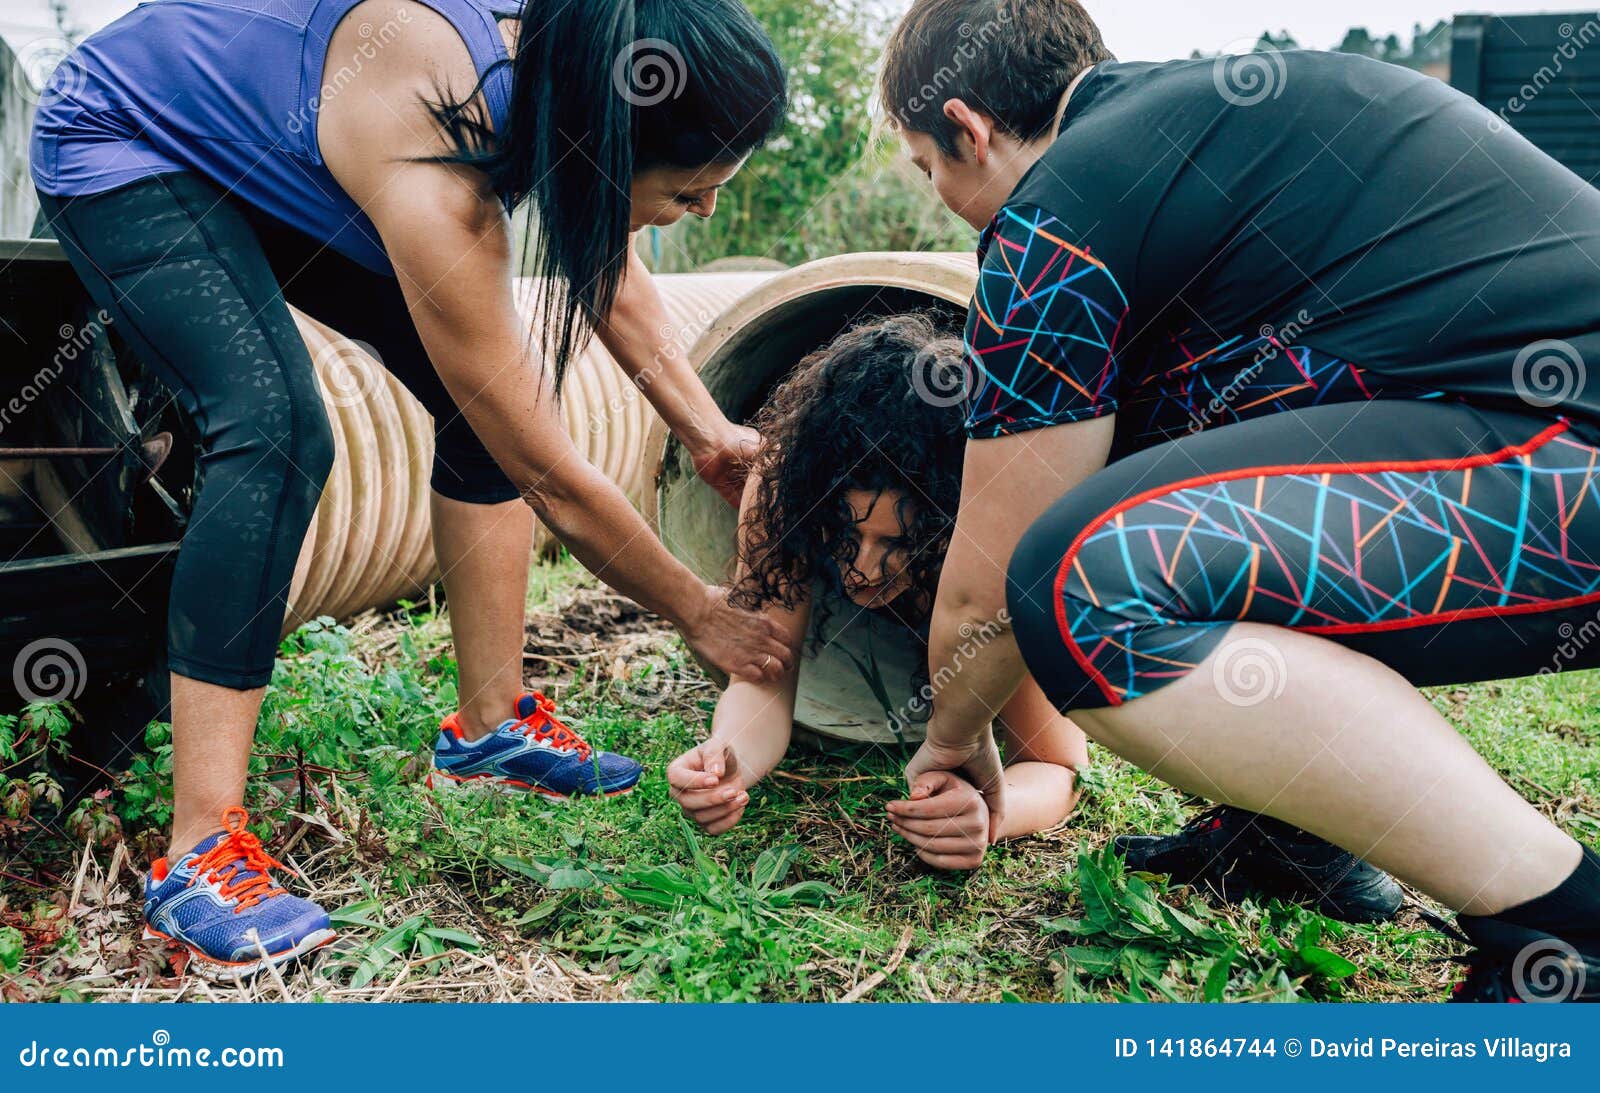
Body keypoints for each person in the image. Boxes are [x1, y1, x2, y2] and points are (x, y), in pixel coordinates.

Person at [31, 0, 795, 976]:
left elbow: (609, 272)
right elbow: (549, 476)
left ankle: (490, 722)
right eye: (692, 194)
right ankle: (195, 860)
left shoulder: (573, 81)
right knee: (277, 426)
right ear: (610, 145)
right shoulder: (442, 148)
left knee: (486, 399)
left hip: (289, 158)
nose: (707, 214)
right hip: (130, 140)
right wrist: (699, 609)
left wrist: (710, 430)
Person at [880, 0, 1600, 1001]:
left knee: (1078, 584)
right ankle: (1282, 837)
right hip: (1537, 439)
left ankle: (1564, 929)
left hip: (1564, 462)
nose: (942, 203)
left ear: (968, 125)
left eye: (928, 168)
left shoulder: (1056, 214)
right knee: (1169, 476)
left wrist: (950, 741)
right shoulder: (1199, 140)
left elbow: (985, 595)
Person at [665, 315, 1399, 921]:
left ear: (953, 525)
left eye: (897, 542)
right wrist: (728, 757)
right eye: (845, 533)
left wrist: (991, 813)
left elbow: (1055, 762)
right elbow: (763, 674)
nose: (861, 567)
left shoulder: (999, 554)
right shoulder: (782, 484)